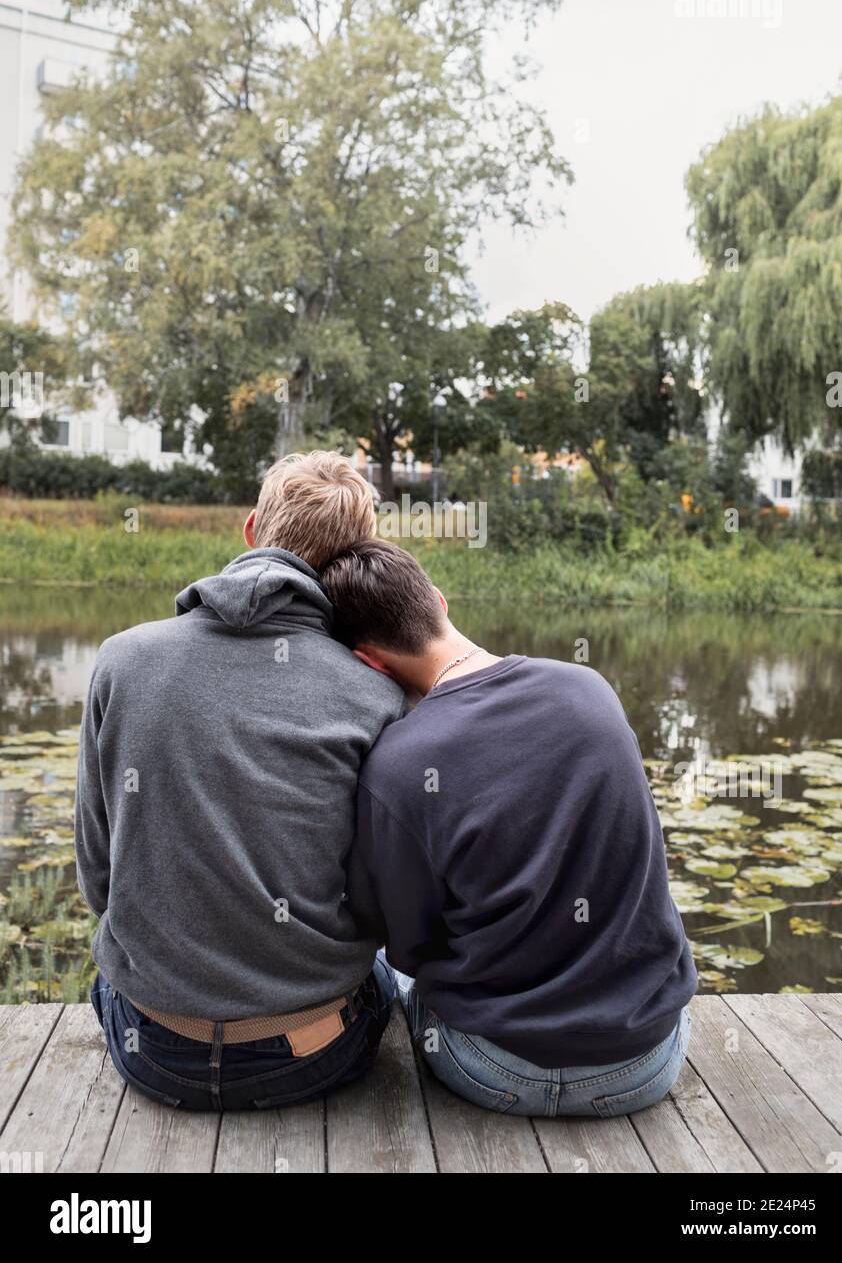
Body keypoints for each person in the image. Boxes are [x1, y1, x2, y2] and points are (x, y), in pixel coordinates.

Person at [321, 539, 697, 1118]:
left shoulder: (395, 766)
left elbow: (412, 947)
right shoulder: (589, 690)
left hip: (487, 1066)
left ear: (369, 660)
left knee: (384, 967)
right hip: (639, 1066)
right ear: (439, 601)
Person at [76, 452, 404, 1112]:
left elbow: (97, 882)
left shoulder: (121, 660)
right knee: (390, 973)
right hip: (313, 1056)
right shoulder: (376, 694)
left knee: (110, 973)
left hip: (155, 1049)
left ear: (251, 529)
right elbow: (384, 905)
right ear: (356, 559)